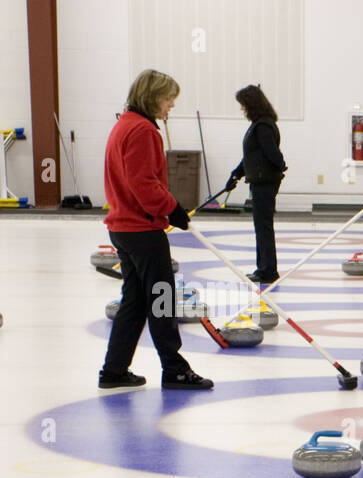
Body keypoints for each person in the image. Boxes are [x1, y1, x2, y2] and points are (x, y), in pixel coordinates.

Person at [99, 69, 212, 390]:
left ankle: (114, 370)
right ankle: (175, 369)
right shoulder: (143, 131)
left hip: (123, 227)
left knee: (134, 302)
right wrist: (172, 209)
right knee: (162, 300)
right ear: (151, 98)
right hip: (142, 231)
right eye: (167, 98)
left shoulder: (123, 125)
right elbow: (144, 183)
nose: (171, 105)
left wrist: (166, 210)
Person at [225, 84, 287, 284]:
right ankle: (264, 268)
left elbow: (273, 154)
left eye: (243, 105)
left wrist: (280, 167)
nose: (242, 109)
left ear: (251, 104)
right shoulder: (259, 125)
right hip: (260, 181)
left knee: (263, 227)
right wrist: (236, 174)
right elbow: (251, 156)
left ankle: (268, 270)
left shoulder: (263, 126)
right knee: (261, 226)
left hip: (264, 183)